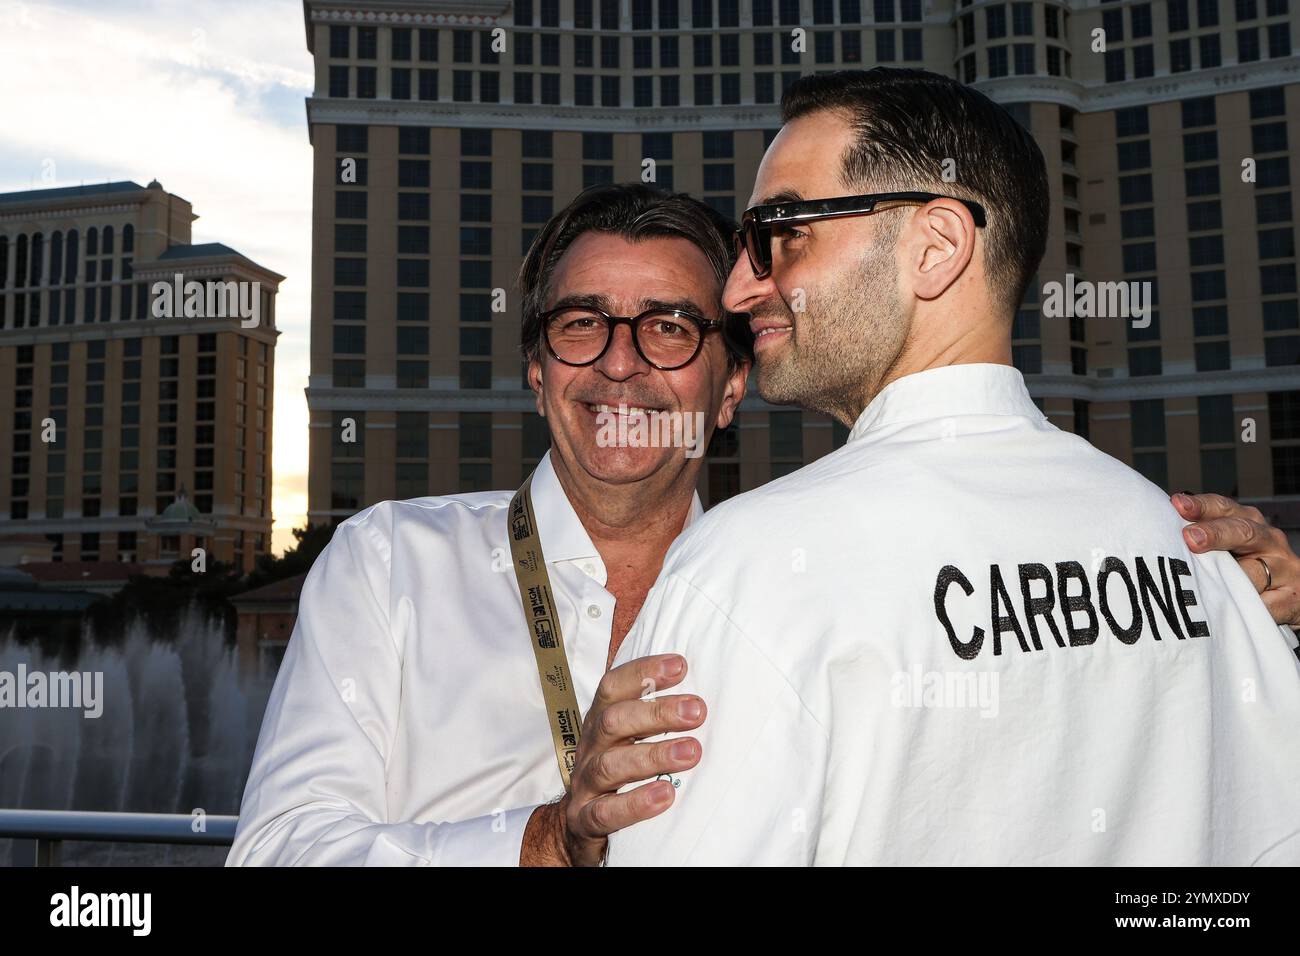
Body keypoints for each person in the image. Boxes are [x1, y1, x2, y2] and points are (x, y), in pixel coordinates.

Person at [605, 68, 1300, 866]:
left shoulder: (747, 570)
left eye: (782, 232)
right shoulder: (1198, 558)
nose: (736, 288)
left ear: (936, 247)